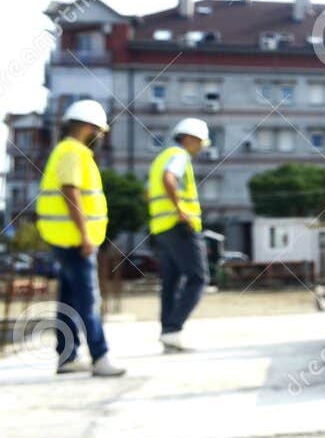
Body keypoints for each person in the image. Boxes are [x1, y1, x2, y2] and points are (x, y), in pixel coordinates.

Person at [35, 99, 125, 376]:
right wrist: (86, 234)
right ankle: (100, 357)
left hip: (65, 238)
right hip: (74, 239)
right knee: (88, 300)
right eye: (99, 131)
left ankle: (67, 357)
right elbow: (70, 192)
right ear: (89, 127)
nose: (100, 137)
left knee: (70, 298)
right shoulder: (73, 152)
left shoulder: (65, 150)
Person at [146, 117, 209, 352]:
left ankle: (168, 334)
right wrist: (181, 210)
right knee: (198, 278)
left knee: (170, 282)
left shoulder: (160, 158)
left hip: (162, 228)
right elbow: (169, 179)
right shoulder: (180, 155)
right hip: (180, 226)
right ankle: (174, 328)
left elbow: (149, 191)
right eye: (201, 141)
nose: (202, 147)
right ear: (190, 138)